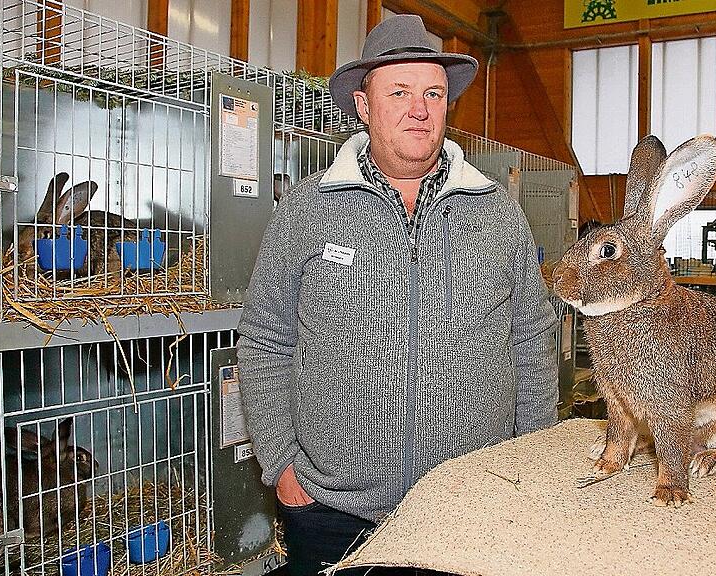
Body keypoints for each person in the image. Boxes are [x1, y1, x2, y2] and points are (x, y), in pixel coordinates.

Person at [237, 14, 558, 575]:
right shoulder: (309, 211)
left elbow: (533, 343)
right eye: (400, 91)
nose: (419, 108)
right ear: (363, 105)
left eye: (433, 92)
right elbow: (267, 341)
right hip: (332, 509)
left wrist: (526, 466)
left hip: (470, 505)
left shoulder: (497, 215)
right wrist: (283, 470)